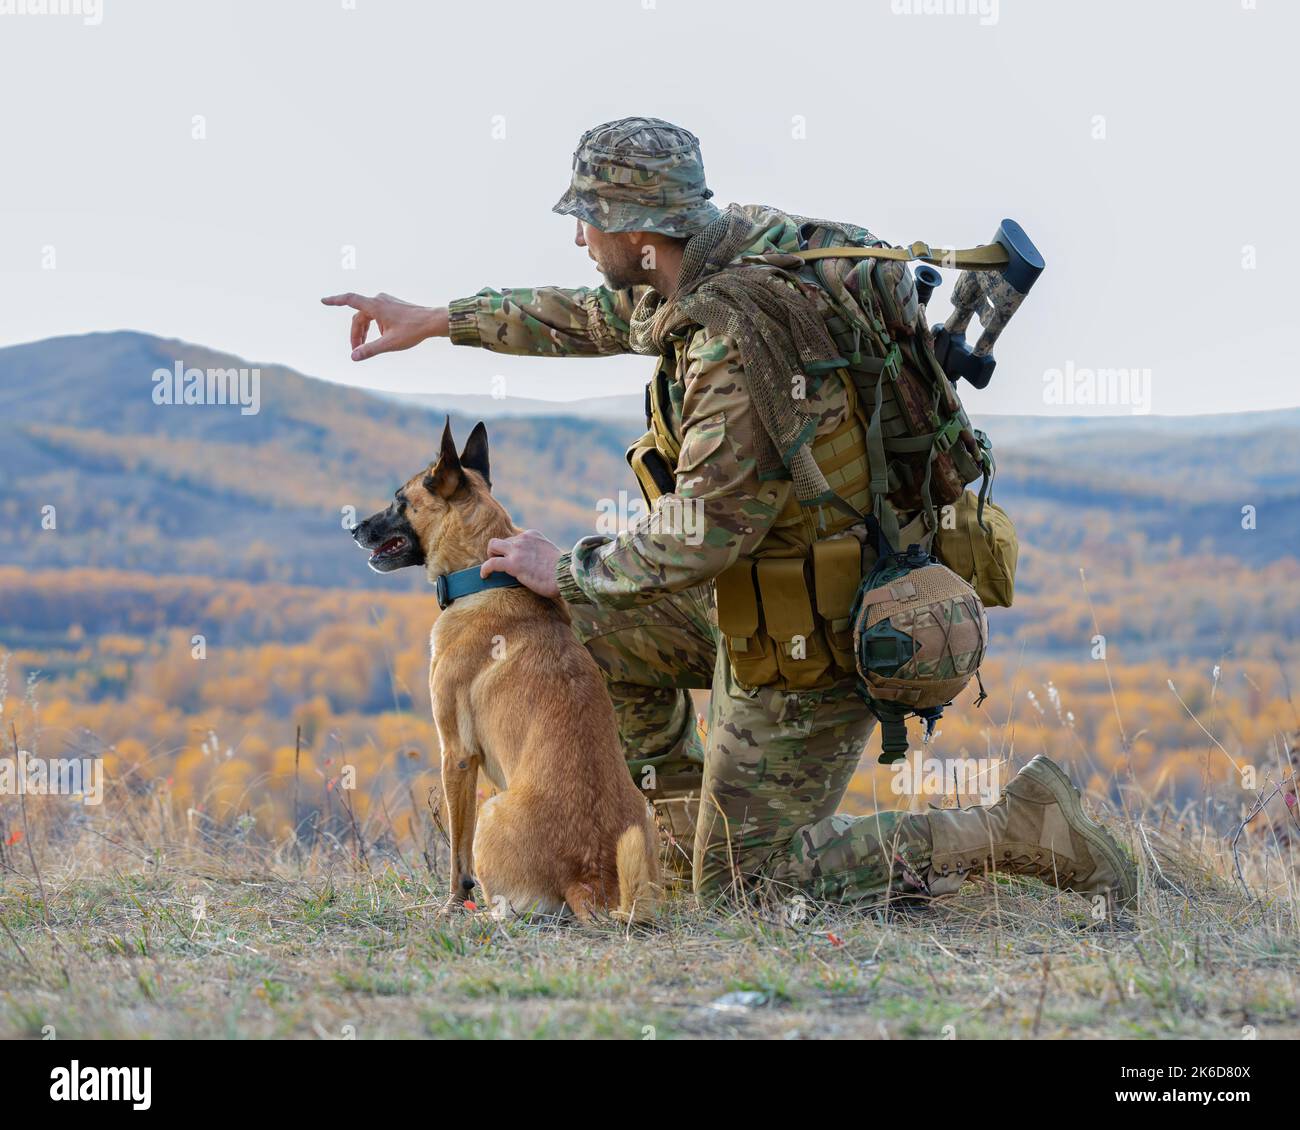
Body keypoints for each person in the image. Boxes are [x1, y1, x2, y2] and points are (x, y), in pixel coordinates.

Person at [323, 117, 1136, 912]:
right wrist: (436, 320)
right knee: (580, 621)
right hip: (749, 602)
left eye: (586, 222)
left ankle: (1025, 827)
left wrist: (565, 567)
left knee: (754, 887)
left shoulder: (732, 346)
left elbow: (700, 534)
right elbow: (591, 317)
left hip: (816, 635)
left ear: (636, 228)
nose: (579, 242)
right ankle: (668, 845)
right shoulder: (714, 253)